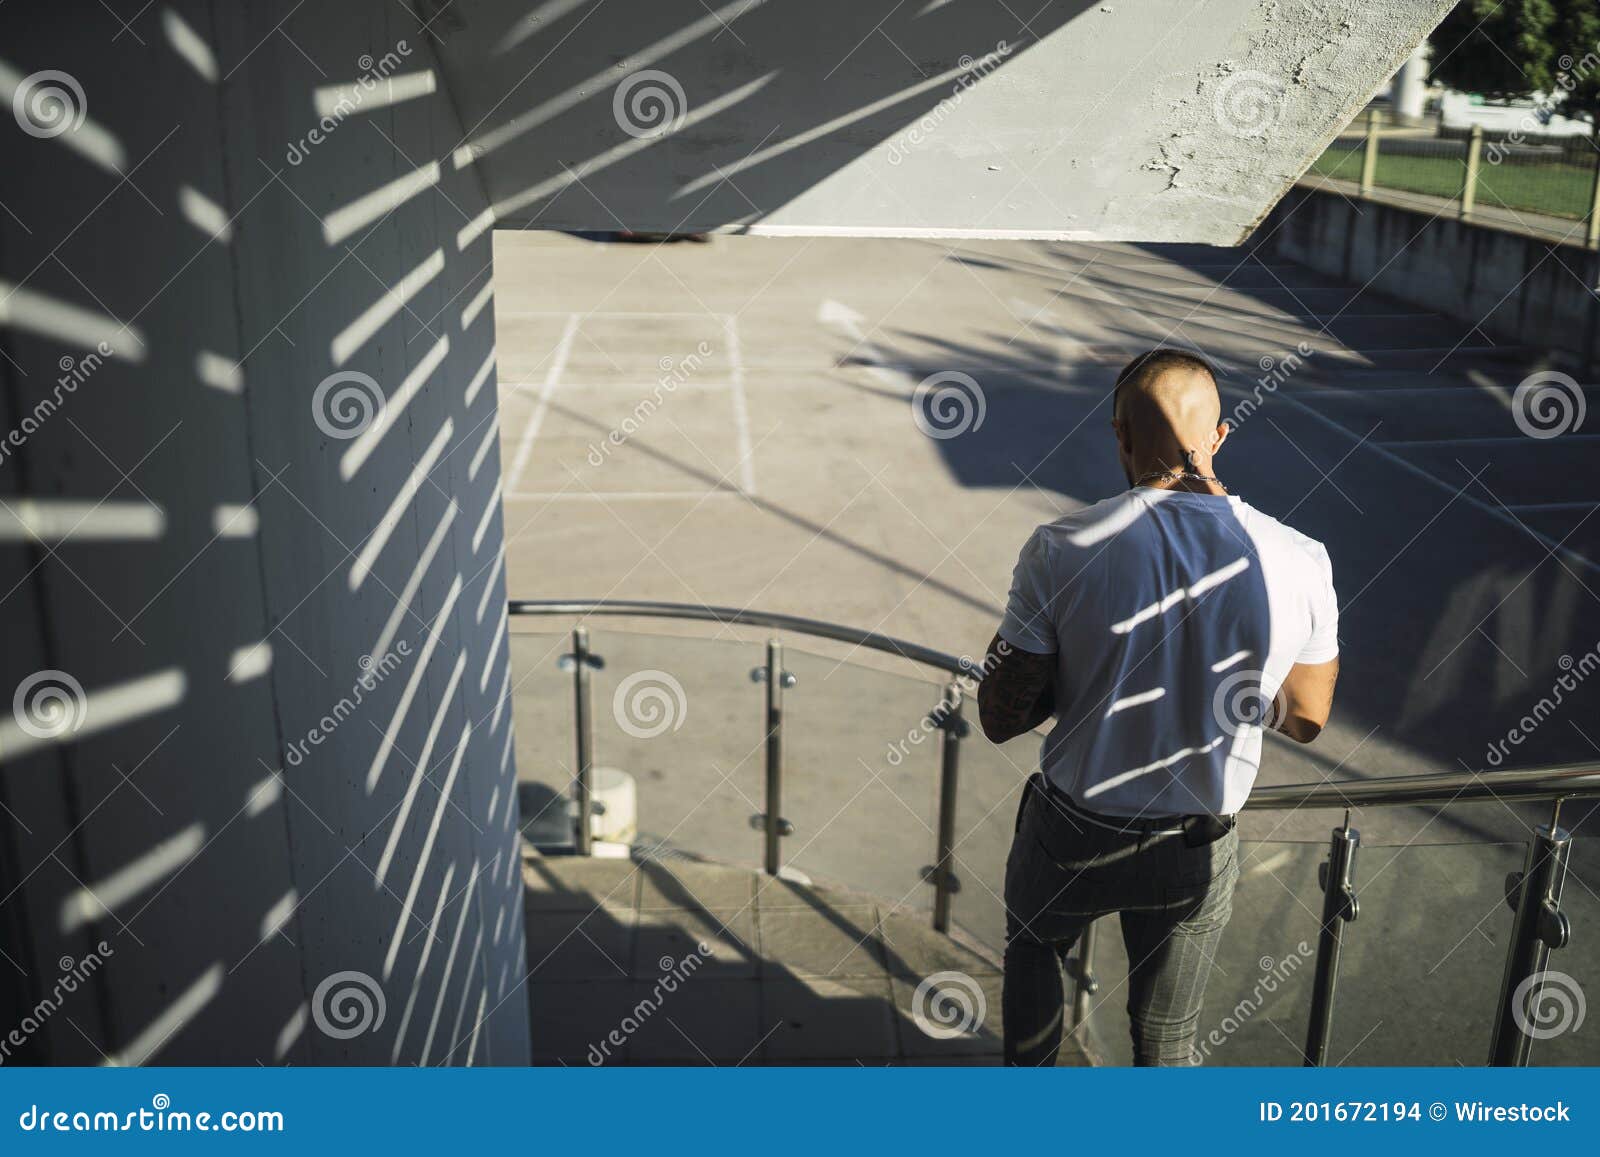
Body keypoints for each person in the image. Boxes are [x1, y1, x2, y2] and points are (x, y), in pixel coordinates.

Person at [977, 347, 1340, 1066]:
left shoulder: (1062, 545)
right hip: (1195, 837)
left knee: (1035, 961)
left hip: (1073, 828)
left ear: (1119, 434)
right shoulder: (1301, 557)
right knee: (1168, 1037)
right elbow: (1306, 716)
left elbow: (999, 714)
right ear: (1220, 436)